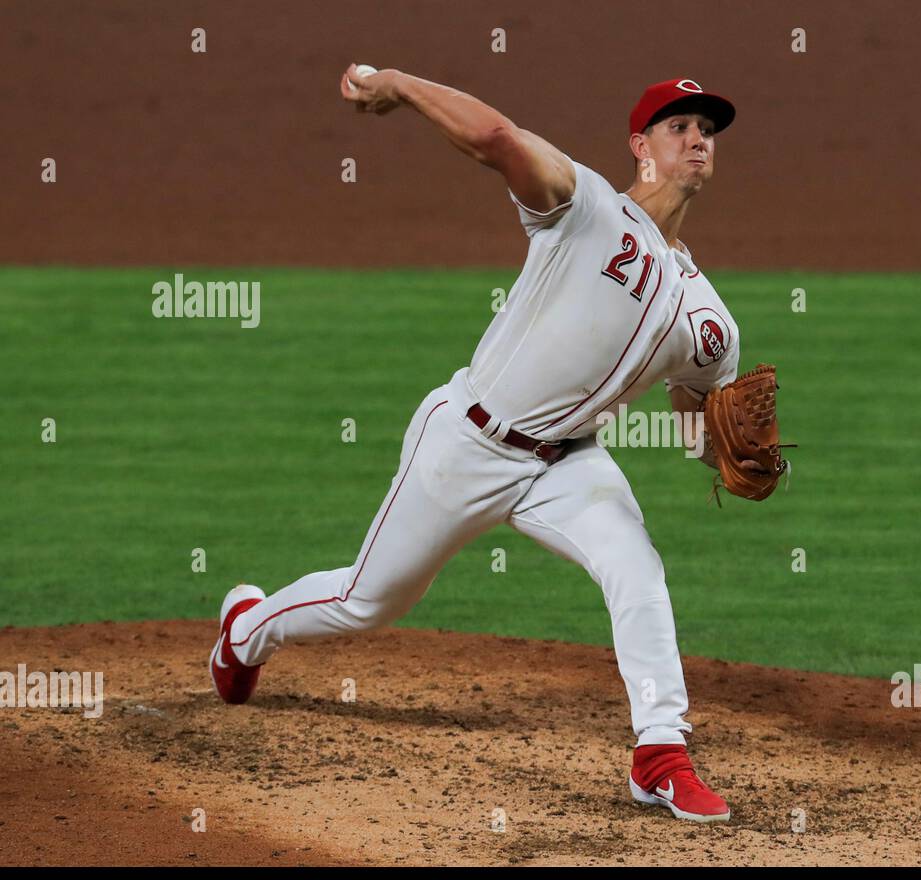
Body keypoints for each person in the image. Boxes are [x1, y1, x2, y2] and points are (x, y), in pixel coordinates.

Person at [210, 69, 746, 823]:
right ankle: (246, 632)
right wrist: (398, 83)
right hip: (466, 442)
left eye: (707, 130)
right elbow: (496, 139)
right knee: (368, 601)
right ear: (640, 145)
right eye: (678, 126)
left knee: (636, 567)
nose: (697, 139)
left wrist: (714, 452)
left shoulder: (709, 318)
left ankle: (660, 755)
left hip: (569, 465)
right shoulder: (585, 206)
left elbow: (694, 409)